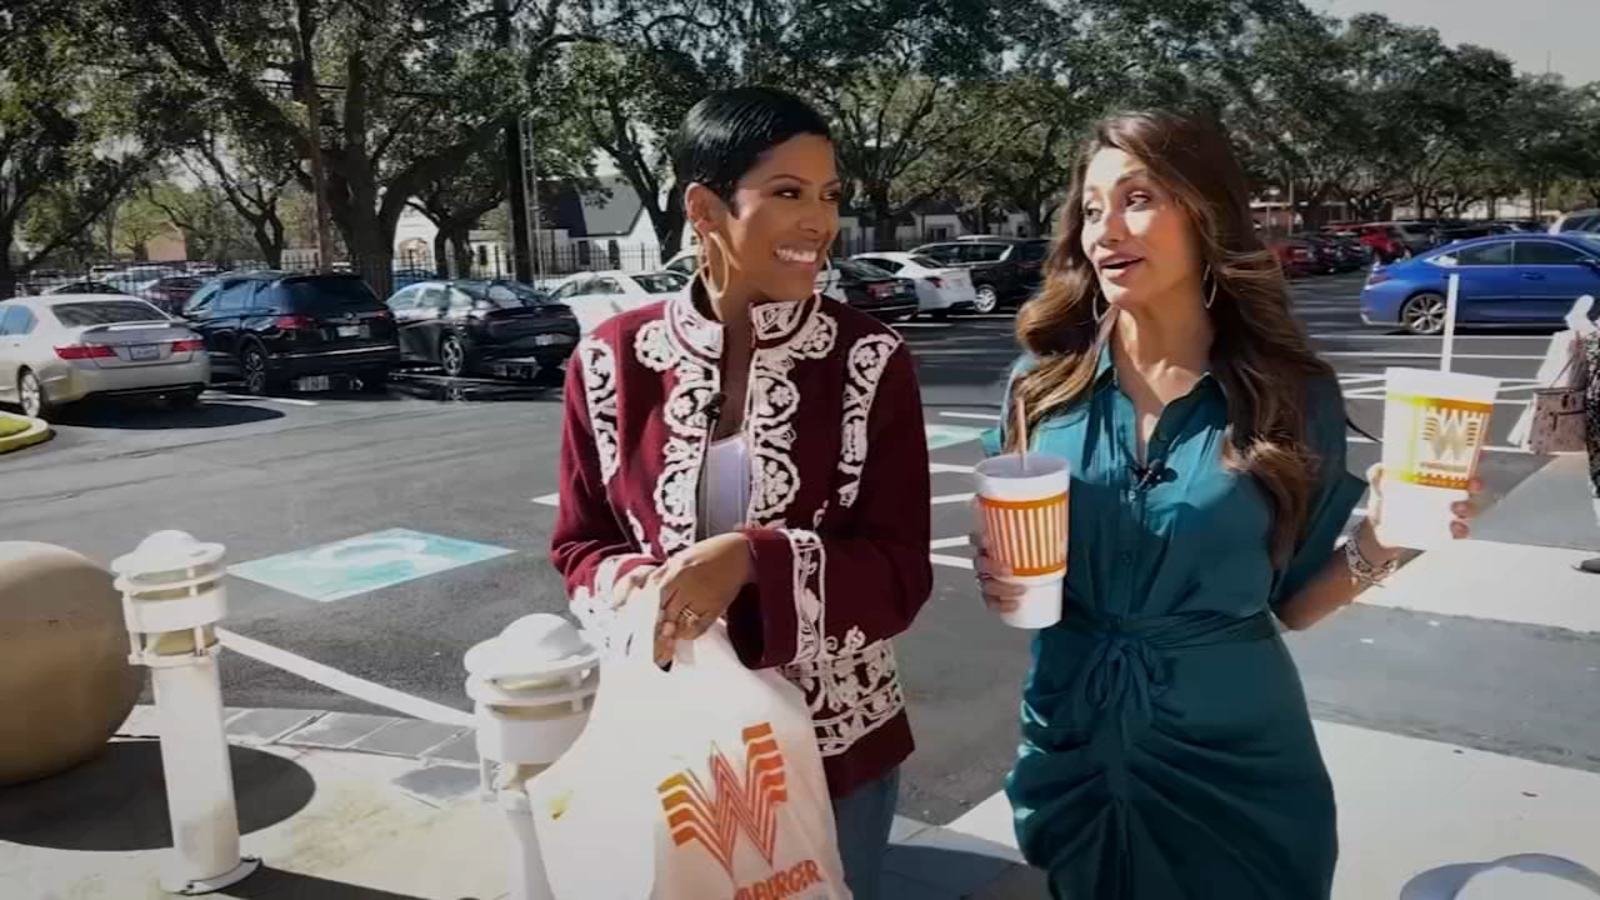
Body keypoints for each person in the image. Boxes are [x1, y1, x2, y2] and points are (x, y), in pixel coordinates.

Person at [972, 109, 1482, 899]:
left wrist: (1388, 540)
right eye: (1093, 206)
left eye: (1138, 197)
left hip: (1234, 748)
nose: (1107, 228)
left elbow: (1295, 606)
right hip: (1074, 736)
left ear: (1206, 212)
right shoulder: (1038, 388)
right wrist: (999, 576)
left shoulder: (1291, 395)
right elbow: (1015, 558)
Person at [549, 86, 933, 900]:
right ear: (705, 208)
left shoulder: (869, 360)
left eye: (828, 197)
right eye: (788, 194)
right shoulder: (610, 361)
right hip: (679, 741)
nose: (819, 224)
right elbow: (581, 543)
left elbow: (902, 572)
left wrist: (749, 561)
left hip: (839, 751)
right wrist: (649, 591)